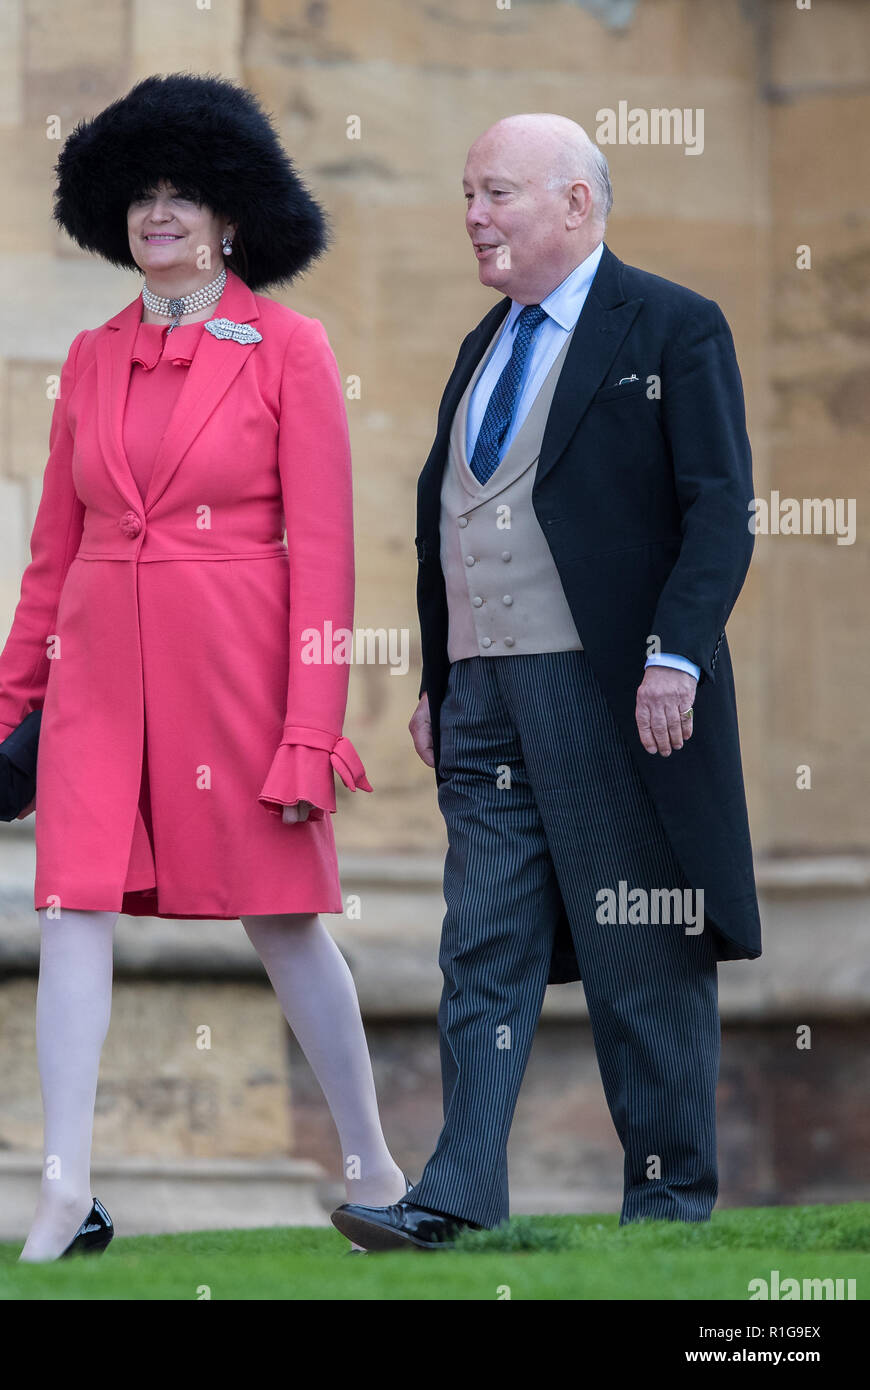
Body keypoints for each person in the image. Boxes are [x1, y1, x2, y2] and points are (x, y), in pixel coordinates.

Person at [0, 73, 406, 1260]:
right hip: (98, 678)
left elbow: (325, 564)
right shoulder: (92, 355)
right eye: (141, 196)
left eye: (183, 196)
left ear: (229, 215)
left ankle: (372, 1160)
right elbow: (49, 557)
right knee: (71, 908)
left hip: (238, 676)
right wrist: (11, 701)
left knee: (284, 918)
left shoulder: (291, 349)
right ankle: (64, 1189)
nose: (157, 214)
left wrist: (310, 730)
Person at [332, 112, 761, 1252]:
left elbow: (720, 507)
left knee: (638, 949)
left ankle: (667, 1208)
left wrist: (675, 653)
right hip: (481, 698)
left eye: (498, 193)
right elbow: (451, 522)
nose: (473, 215)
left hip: (608, 689)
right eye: (467, 193)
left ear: (577, 202)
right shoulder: (482, 345)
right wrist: (439, 671)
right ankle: (457, 1194)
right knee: (480, 945)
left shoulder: (671, 325)